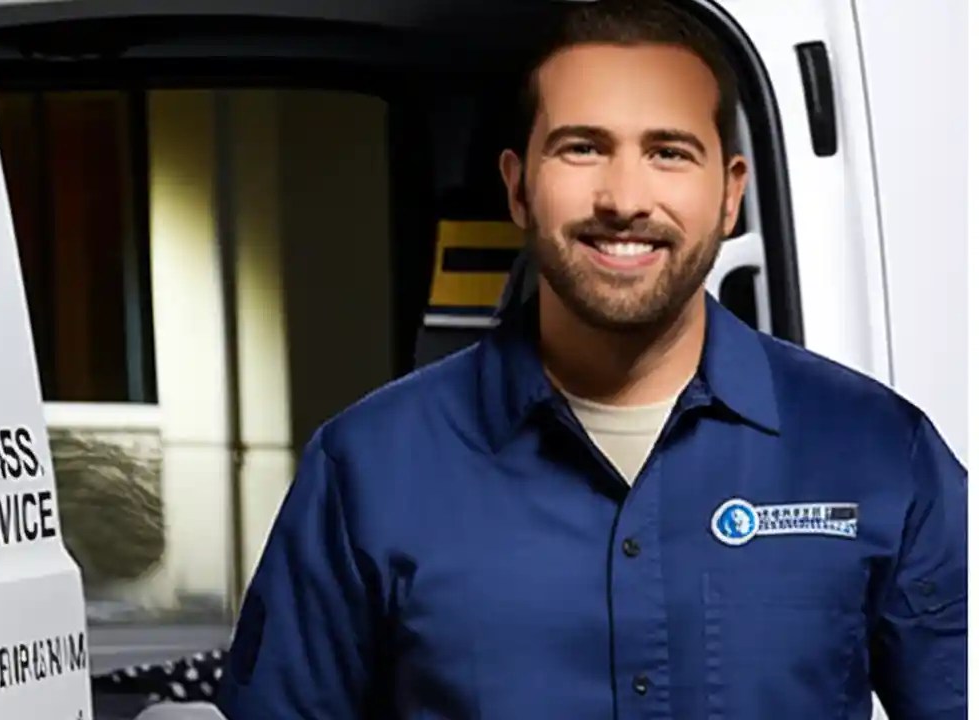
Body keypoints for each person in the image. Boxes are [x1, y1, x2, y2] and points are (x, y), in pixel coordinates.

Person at [214, 1, 967, 718]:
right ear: (517, 187)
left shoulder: (879, 453)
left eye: (669, 152)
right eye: (583, 147)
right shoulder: (367, 470)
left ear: (730, 194)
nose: (624, 198)